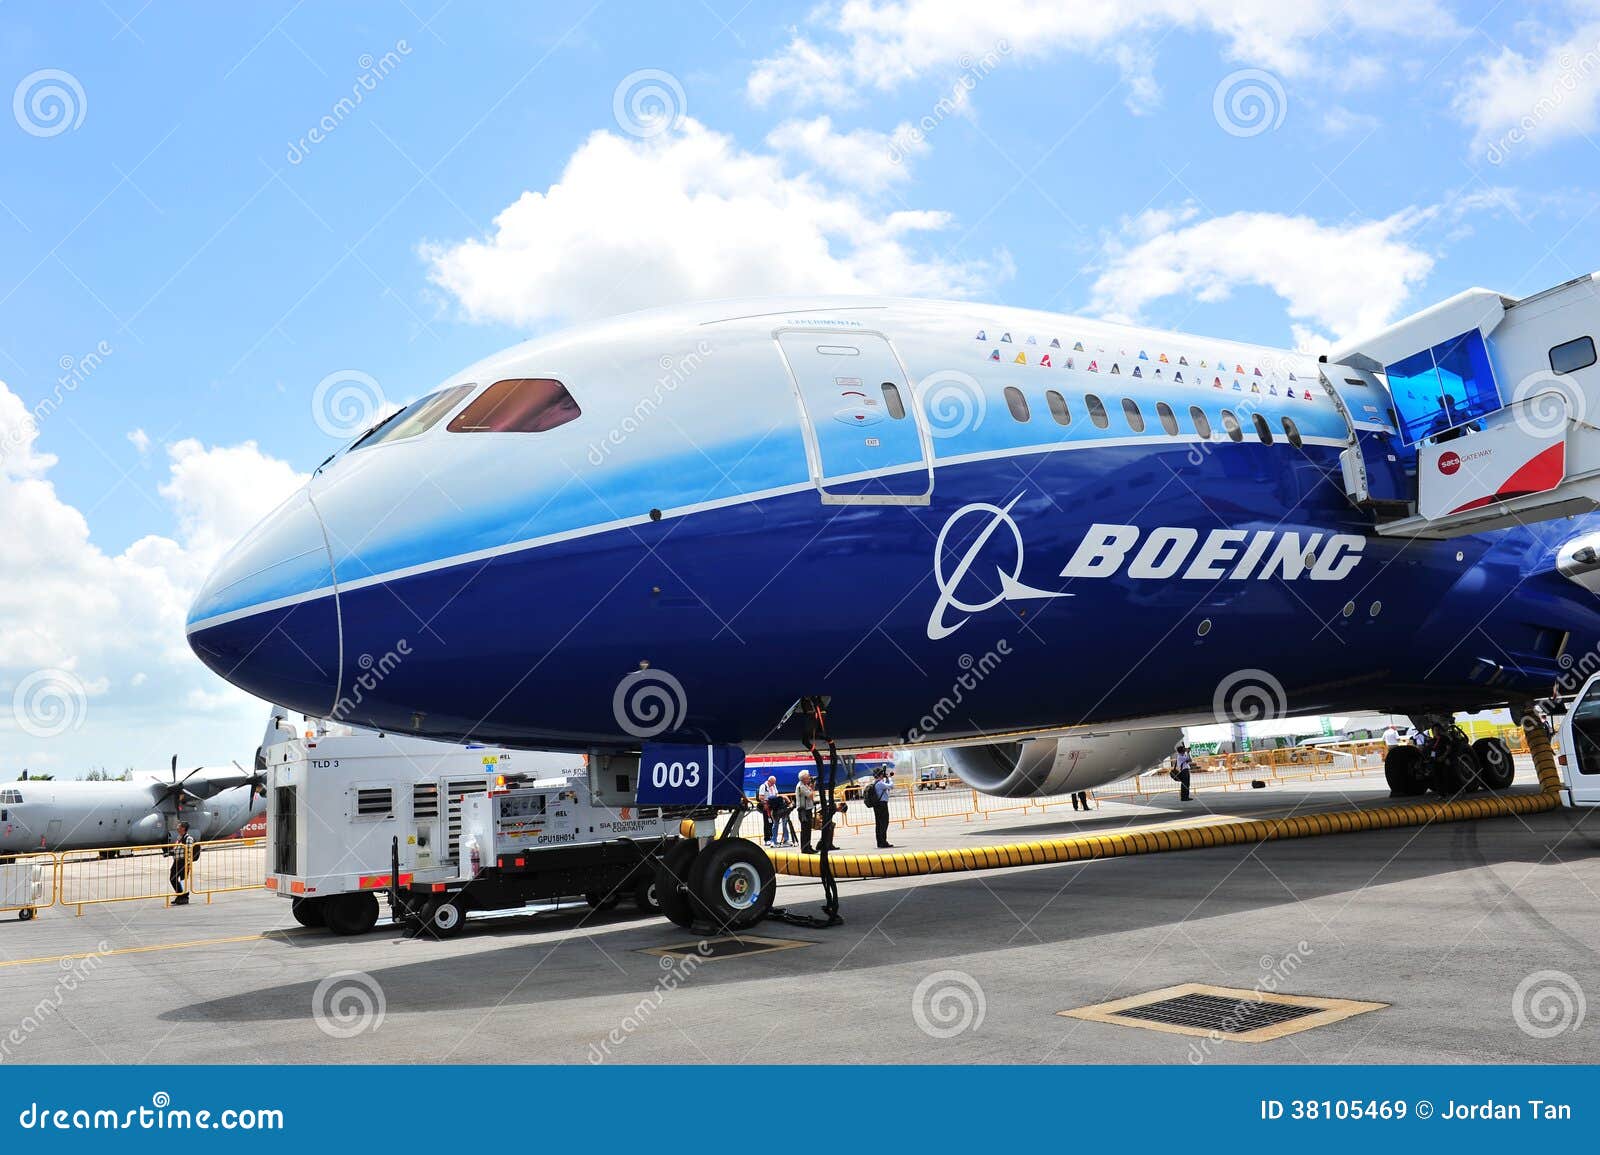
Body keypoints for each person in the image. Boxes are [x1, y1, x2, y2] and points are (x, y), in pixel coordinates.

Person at [165, 820, 195, 906]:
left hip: (183, 861)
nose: (177, 828)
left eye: (179, 826)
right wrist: (171, 852)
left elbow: (189, 851)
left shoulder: (188, 838)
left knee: (182, 880)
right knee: (172, 878)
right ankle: (180, 895)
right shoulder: (179, 837)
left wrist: (187, 863)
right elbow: (177, 848)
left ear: (183, 828)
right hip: (177, 861)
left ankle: (184, 898)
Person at [869, 768, 894, 848]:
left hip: (877, 805)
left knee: (879, 824)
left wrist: (886, 778)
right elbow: (891, 786)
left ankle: (879, 842)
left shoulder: (874, 782)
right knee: (884, 823)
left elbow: (885, 787)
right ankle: (883, 842)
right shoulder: (880, 783)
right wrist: (890, 778)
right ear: (880, 775)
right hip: (882, 805)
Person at [795, 769, 817, 854]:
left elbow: (811, 791)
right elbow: (811, 795)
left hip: (807, 809)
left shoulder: (804, 785)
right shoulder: (801, 786)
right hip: (803, 811)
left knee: (808, 829)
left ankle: (808, 846)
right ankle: (805, 848)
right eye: (808, 777)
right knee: (805, 830)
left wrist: (812, 785)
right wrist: (811, 787)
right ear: (804, 778)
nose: (809, 778)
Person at [757, 775, 779, 844]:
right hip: (766, 807)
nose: (773, 784)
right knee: (767, 823)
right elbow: (760, 797)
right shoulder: (763, 786)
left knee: (772, 823)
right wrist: (766, 803)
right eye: (772, 783)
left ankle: (773, 838)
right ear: (769, 781)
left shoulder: (774, 786)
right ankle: (767, 839)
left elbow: (776, 794)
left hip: (773, 807)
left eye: (774, 783)